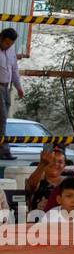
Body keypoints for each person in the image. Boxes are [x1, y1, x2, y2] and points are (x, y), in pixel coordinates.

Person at [0, 27, 25, 160]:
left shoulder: (10, 51)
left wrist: (18, 87)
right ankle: (4, 150)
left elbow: (14, 70)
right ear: (1, 39)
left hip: (6, 88)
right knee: (2, 118)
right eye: (6, 43)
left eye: (10, 44)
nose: (8, 46)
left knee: (4, 119)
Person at [25, 144, 72, 212]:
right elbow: (31, 185)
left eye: (60, 162)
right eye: (52, 160)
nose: (55, 164)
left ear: (64, 166)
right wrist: (42, 164)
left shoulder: (69, 182)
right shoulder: (38, 180)